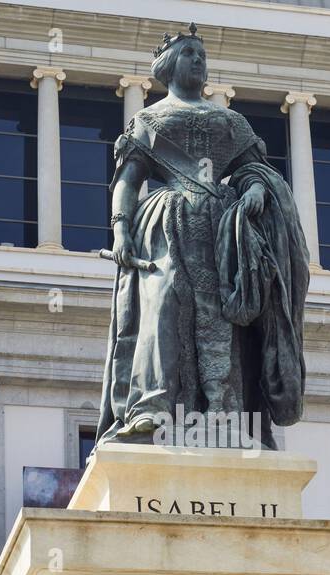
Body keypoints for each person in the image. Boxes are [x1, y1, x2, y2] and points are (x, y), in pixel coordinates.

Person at [95, 23, 308, 452]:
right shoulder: (148, 120)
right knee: (162, 306)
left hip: (221, 229)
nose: (199, 61)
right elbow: (127, 180)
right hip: (165, 224)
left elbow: (256, 171)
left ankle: (224, 414)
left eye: (202, 55)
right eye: (190, 53)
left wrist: (254, 189)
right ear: (170, 65)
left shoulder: (230, 120)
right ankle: (151, 409)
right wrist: (121, 230)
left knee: (220, 317)